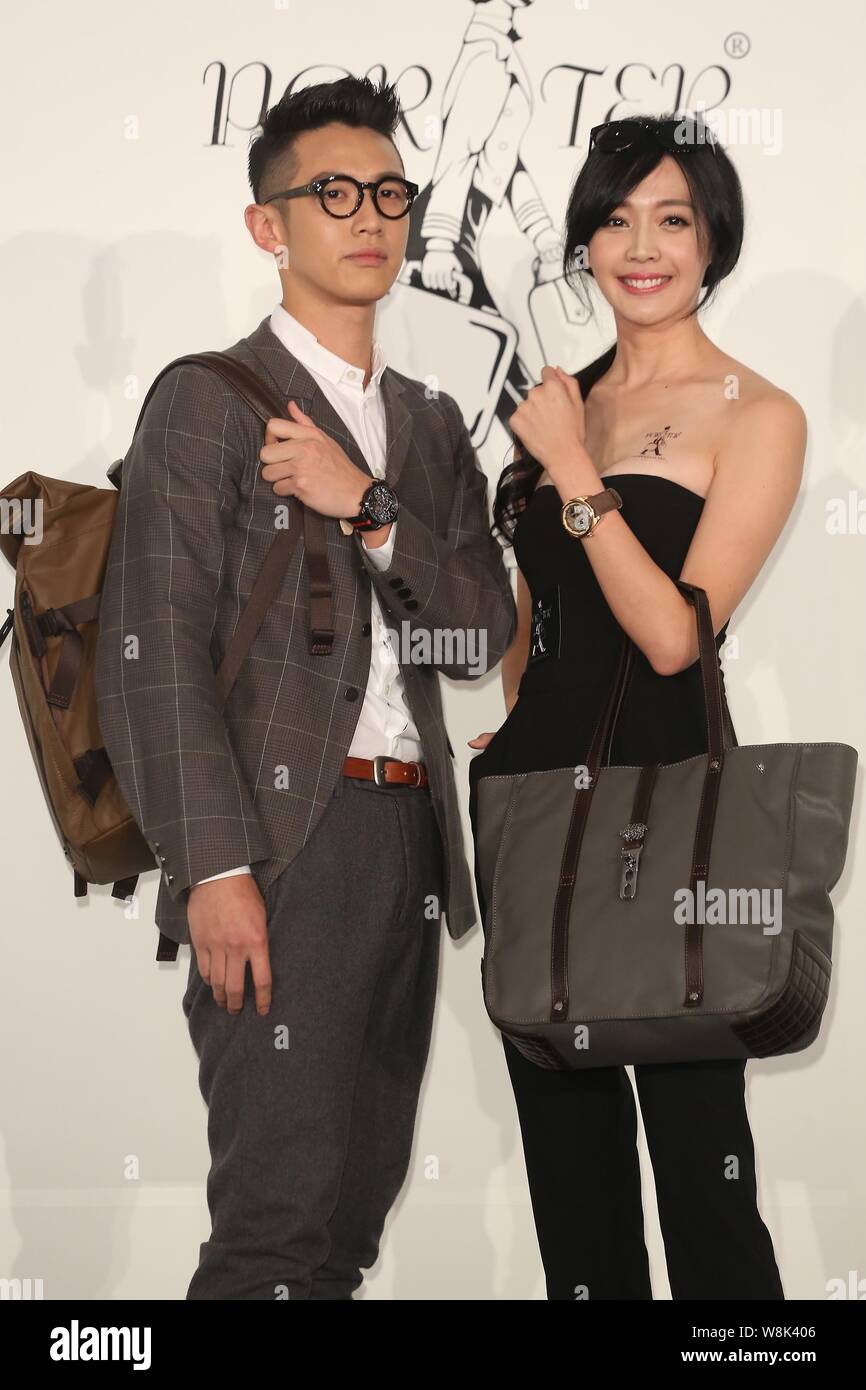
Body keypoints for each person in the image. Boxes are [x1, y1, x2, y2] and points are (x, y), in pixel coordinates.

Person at [94, 74, 516, 1299]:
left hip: (411, 843)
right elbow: (150, 653)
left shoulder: (431, 427)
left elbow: (476, 635)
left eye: (389, 192)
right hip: (284, 845)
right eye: (332, 193)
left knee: (345, 1227)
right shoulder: (206, 398)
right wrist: (214, 869)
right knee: (275, 1226)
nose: (368, 215)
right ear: (267, 227)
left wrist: (368, 507)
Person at [467, 113, 805, 1300]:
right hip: (527, 808)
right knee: (570, 1180)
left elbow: (673, 637)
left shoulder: (754, 414)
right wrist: (517, 710)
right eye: (613, 218)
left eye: (670, 218)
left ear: (713, 240)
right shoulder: (563, 401)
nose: (640, 244)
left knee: (702, 1181)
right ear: (582, 244)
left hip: (670, 810)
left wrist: (570, 470)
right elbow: (535, 614)